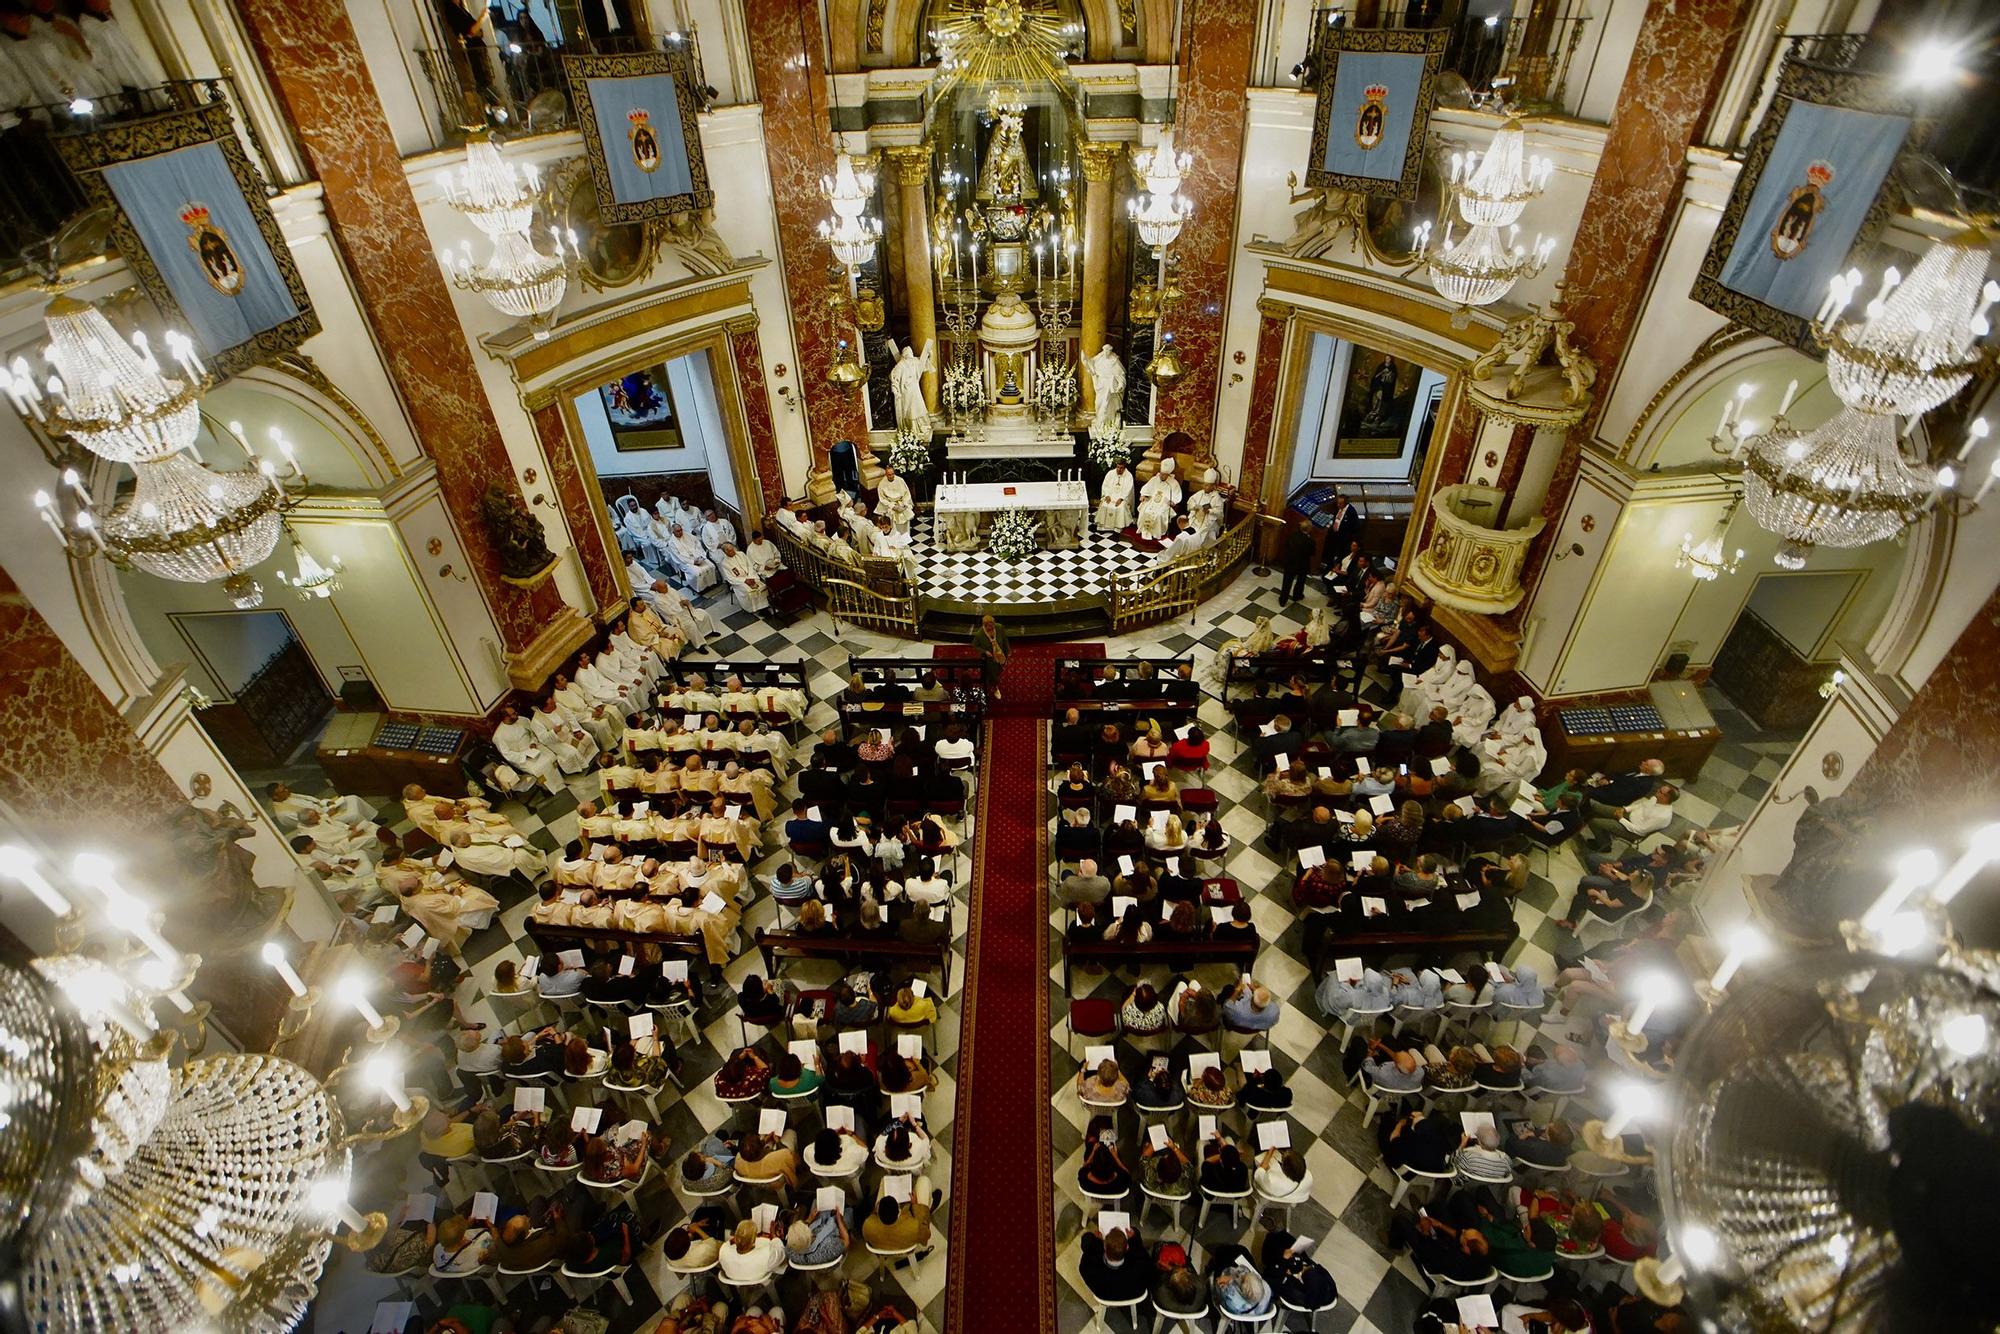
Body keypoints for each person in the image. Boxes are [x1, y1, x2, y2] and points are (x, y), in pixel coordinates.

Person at [1580, 783, 1679, 851]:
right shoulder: (1656, 799)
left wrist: (1621, 819)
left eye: (1660, 791)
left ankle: (1603, 844)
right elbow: (1641, 805)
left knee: (1595, 822)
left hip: (1632, 829)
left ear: (1666, 798)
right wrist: (1625, 809)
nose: (1657, 790)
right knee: (1596, 807)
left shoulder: (1663, 817)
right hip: (1628, 815)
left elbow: (1640, 831)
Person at [1079, 1224, 1154, 1302]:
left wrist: (1097, 1242)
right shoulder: (1142, 1264)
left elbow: (1084, 1266)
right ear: (1127, 1248)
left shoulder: (1089, 1268)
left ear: (1104, 1247)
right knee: (1136, 1232)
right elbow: (1148, 1270)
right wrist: (1133, 1240)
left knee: (1087, 1238)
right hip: (1133, 1294)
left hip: (1104, 1295)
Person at [974, 613, 1009, 702]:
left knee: (999, 669)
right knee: (993, 674)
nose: (992, 628)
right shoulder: (979, 634)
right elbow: (975, 645)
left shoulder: (999, 627)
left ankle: (993, 680)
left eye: (993, 626)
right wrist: (985, 652)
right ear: (984, 626)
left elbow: (1004, 639)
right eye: (989, 627)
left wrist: (1007, 651)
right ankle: (995, 687)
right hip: (990, 659)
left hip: (1000, 654)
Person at [1280, 516, 1315, 602]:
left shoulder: (1293, 535)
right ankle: (1297, 596)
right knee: (1300, 581)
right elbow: (1312, 553)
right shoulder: (1310, 541)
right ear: (1309, 529)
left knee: (1287, 582)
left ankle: (1283, 599)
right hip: (1302, 565)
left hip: (1290, 562)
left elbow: (1286, 545)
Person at [1096, 458, 1135, 531]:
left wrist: (1121, 499)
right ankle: (1103, 527)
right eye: (1117, 467)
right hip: (1110, 496)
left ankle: (1117, 527)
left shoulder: (1129, 476)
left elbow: (1128, 490)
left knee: (1120, 507)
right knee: (1104, 505)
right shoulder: (1110, 473)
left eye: (1121, 468)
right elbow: (1105, 485)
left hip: (1122, 497)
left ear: (1124, 467)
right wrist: (1107, 495)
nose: (1119, 469)